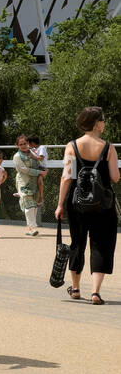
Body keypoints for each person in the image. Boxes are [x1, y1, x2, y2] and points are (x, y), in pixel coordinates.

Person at [54, 107, 119, 304]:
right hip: (103, 206)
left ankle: (75, 288)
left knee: (78, 243)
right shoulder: (109, 148)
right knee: (101, 245)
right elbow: (115, 177)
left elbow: (67, 177)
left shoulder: (72, 146)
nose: (104, 123)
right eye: (103, 120)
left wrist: (59, 205)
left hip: (77, 205)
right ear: (97, 123)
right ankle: (95, 292)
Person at [12, 135, 44, 236]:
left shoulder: (33, 153)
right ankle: (33, 228)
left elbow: (40, 162)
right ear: (17, 145)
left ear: (28, 144)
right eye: (20, 144)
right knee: (28, 204)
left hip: (35, 182)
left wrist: (43, 171)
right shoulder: (17, 156)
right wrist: (38, 172)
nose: (23, 146)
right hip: (24, 182)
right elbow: (23, 169)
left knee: (34, 205)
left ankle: (30, 228)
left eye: (25, 143)